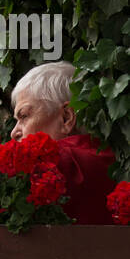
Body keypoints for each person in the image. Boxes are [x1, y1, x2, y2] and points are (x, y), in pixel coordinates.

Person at [9, 61, 116, 224]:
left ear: (66, 117)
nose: (14, 132)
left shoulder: (65, 161)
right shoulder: (111, 159)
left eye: (24, 116)